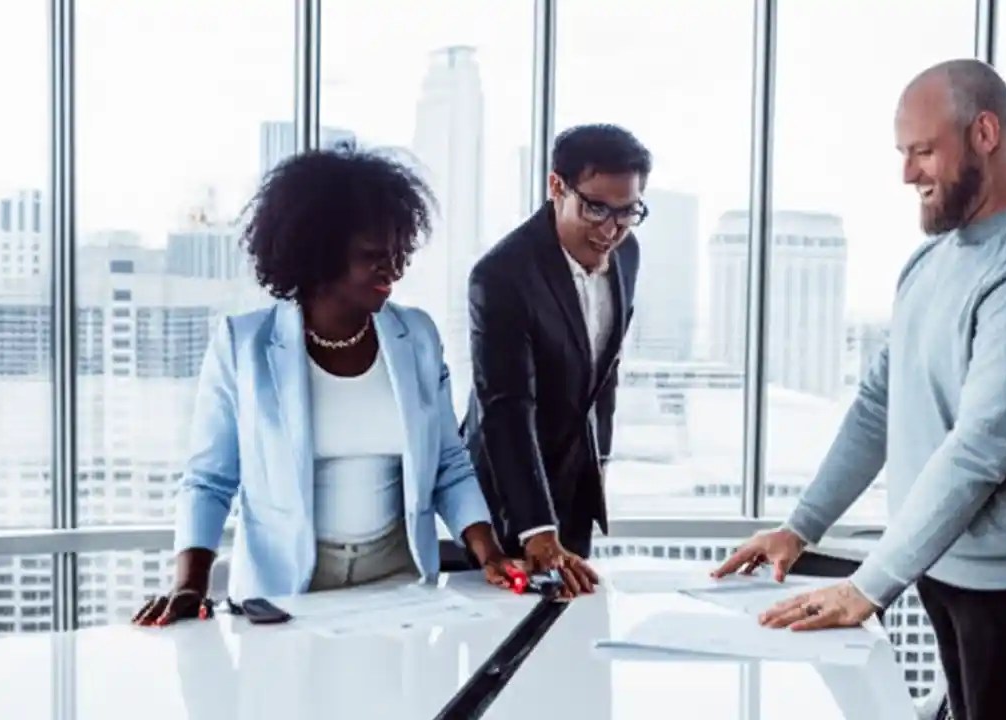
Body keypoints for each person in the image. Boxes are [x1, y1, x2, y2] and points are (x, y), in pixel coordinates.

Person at [713, 58, 1006, 720]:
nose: (906, 173)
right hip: (945, 569)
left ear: (985, 133)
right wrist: (802, 526)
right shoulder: (929, 262)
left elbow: (983, 447)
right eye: (903, 153)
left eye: (923, 151)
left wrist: (869, 586)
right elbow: (877, 407)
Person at [133, 149, 519, 627]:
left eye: (400, 253)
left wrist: (490, 552)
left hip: (398, 577)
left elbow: (449, 464)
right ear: (318, 257)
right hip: (286, 584)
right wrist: (188, 584)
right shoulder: (244, 345)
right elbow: (209, 481)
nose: (394, 271)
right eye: (374, 258)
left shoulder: (416, 336)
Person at [462, 123, 651, 597]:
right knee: (507, 641)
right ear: (556, 187)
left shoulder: (627, 253)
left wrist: (599, 461)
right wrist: (536, 529)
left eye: (627, 211)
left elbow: (604, 372)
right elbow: (505, 406)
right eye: (595, 208)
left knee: (579, 633)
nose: (610, 230)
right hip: (508, 497)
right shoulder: (502, 274)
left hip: (573, 484)